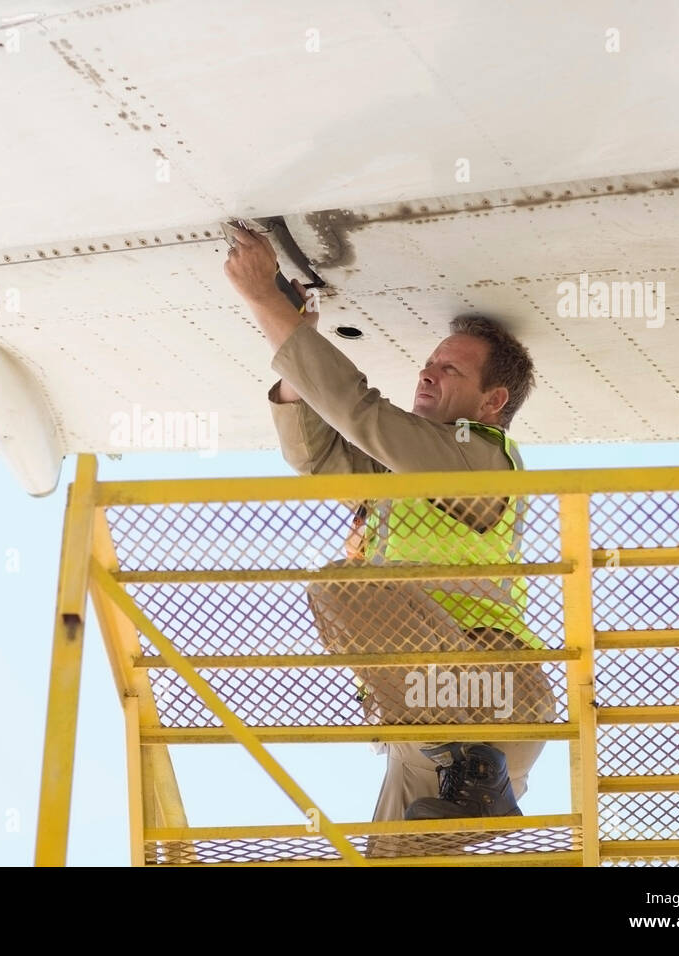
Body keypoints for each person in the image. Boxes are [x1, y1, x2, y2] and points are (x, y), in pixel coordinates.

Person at [221, 224, 558, 854]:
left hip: (488, 691)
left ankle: (471, 768)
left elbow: (361, 413)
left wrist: (266, 303)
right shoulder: (406, 476)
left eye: (449, 369)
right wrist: (299, 344)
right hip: (442, 735)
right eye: (428, 363)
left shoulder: (478, 458)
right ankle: (472, 776)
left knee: (344, 592)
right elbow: (316, 458)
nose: (428, 374)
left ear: (494, 402)